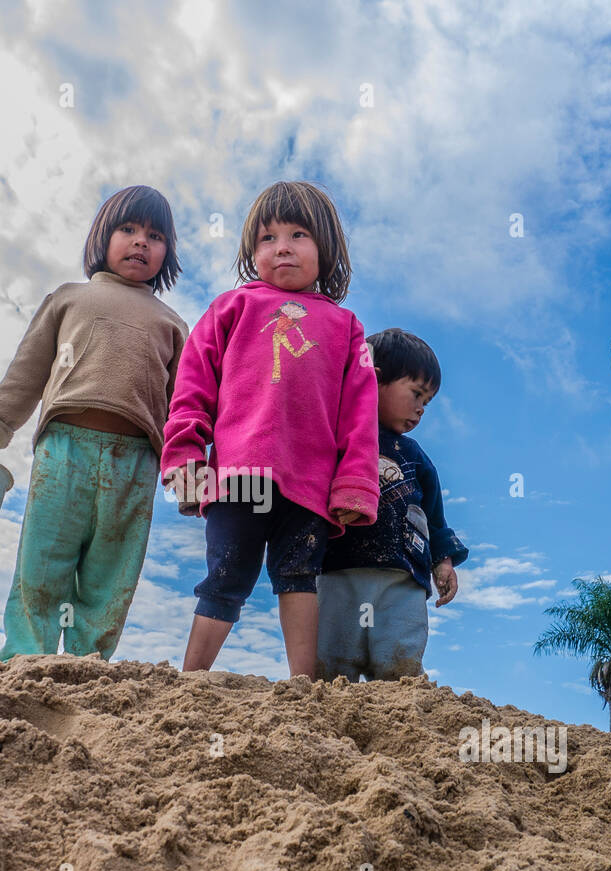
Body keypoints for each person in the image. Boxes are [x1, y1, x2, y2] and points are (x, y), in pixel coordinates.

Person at [162, 180, 379, 678]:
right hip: (239, 474)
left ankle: (303, 687)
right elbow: (191, 392)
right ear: (251, 251)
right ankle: (190, 680)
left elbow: (358, 416)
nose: (281, 246)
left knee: (299, 576)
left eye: (298, 234)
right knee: (225, 575)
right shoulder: (228, 309)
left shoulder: (346, 328)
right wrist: (186, 461)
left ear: (326, 248)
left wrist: (354, 485)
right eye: (267, 238)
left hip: (308, 484)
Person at [0, 185, 188, 660]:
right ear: (102, 237)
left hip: (137, 461)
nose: (140, 242)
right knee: (43, 559)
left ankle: (90, 661)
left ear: (167, 252)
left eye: (155, 235)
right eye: (127, 229)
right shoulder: (68, 299)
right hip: (63, 449)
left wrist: (186, 469)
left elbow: (181, 405)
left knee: (114, 569)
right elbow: (26, 371)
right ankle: (26, 653)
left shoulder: (171, 323)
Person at [315, 328, 469, 682]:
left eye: (426, 403)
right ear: (373, 379)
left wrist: (442, 562)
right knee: (332, 660)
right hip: (338, 570)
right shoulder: (336, 440)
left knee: (399, 661)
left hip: (402, 579)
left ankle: (403, 693)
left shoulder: (414, 457)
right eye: (416, 394)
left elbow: (434, 517)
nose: (420, 409)